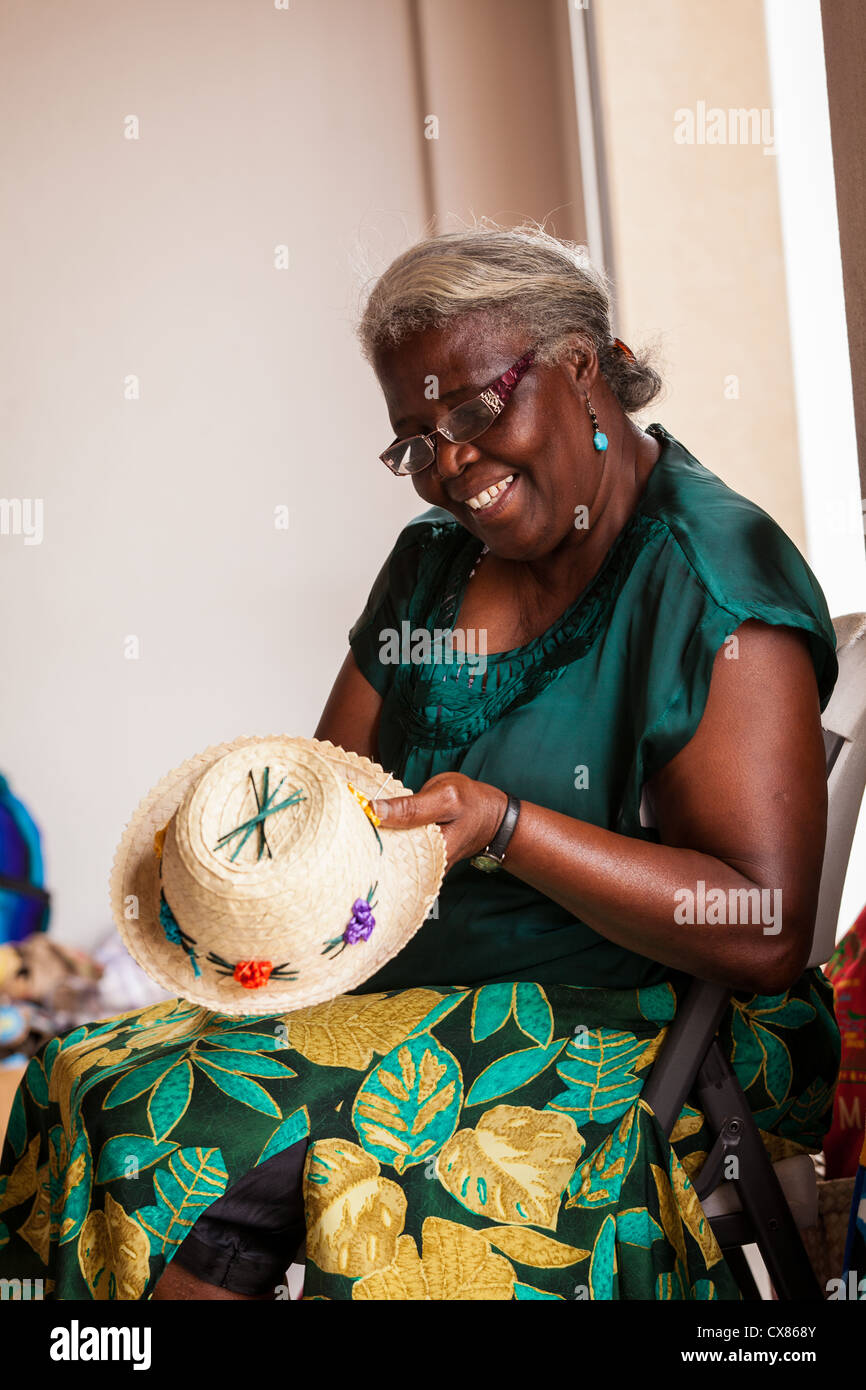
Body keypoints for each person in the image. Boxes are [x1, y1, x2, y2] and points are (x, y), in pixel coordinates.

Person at [0, 224, 840, 1301]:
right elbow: (333, 795)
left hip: (648, 1020)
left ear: (583, 366)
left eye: (476, 410)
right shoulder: (431, 571)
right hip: (415, 985)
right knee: (77, 1076)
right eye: (414, 438)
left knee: (180, 1136)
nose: (447, 462)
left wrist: (507, 828)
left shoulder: (708, 573)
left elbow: (761, 929)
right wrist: (246, 872)